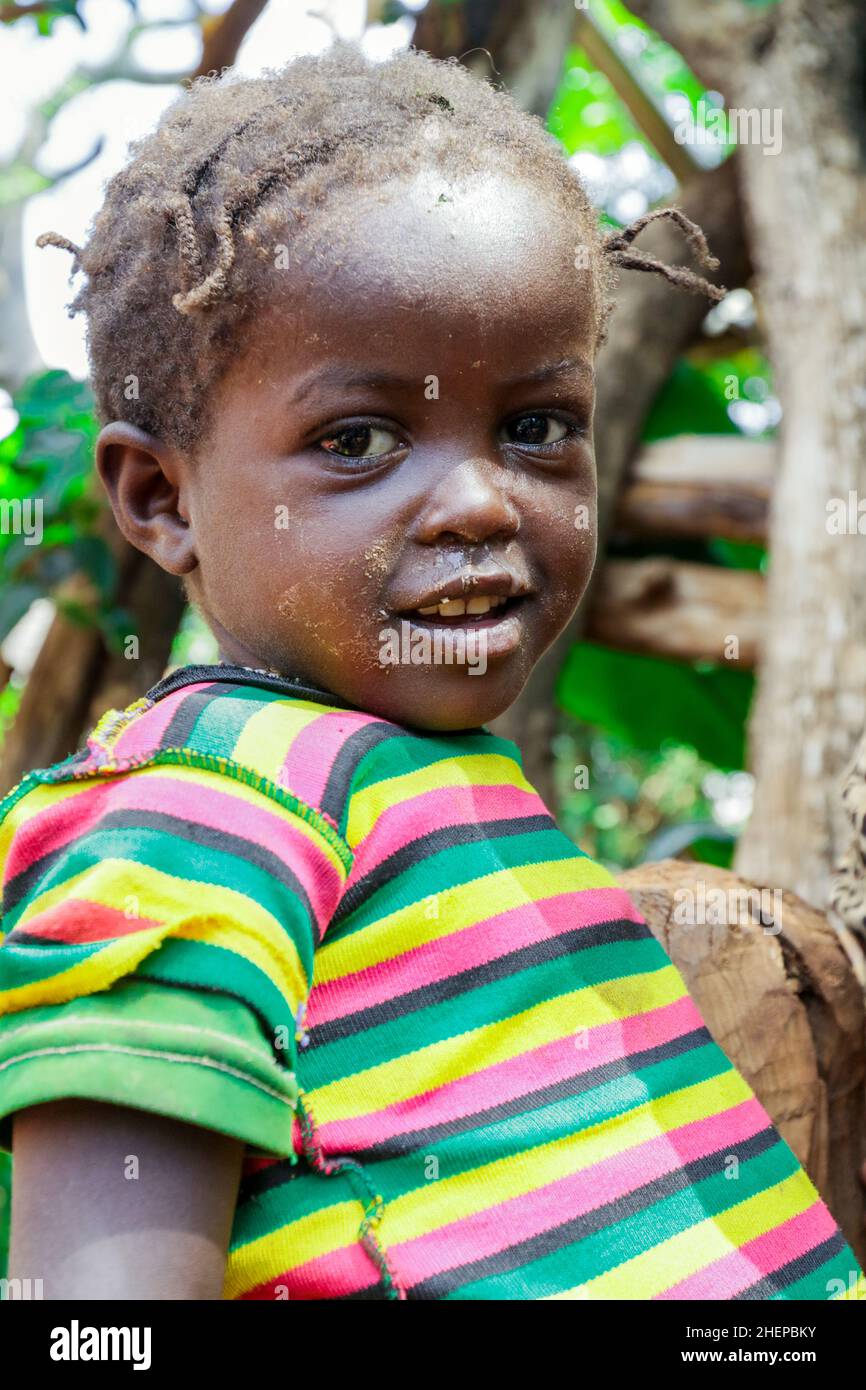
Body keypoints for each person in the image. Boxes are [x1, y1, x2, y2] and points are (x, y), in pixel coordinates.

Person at [1, 40, 863, 1302]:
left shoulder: (421, 789)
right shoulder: (195, 812)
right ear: (159, 498)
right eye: (356, 439)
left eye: (535, 428)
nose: (476, 502)